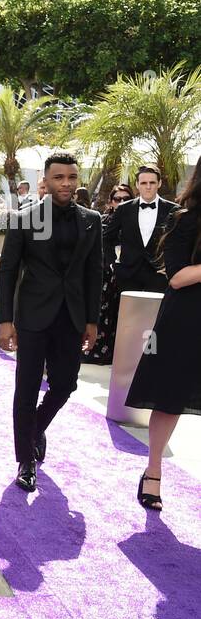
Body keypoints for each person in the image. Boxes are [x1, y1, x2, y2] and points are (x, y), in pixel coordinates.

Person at [0, 151, 102, 492]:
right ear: (46, 180)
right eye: (59, 178)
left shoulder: (91, 219)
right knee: (25, 388)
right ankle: (26, 461)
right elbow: (9, 270)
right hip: (32, 315)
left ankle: (35, 427)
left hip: (71, 316)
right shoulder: (25, 218)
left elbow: (93, 272)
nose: (66, 184)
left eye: (71, 177)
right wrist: (5, 320)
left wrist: (92, 320)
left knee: (66, 384)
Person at [124, 170, 201, 510]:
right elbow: (177, 276)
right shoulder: (186, 220)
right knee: (171, 400)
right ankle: (153, 469)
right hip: (185, 321)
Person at [104, 165, 178, 294]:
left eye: (152, 182)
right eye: (144, 183)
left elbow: (179, 241)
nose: (148, 187)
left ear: (159, 183)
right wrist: (113, 265)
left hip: (159, 276)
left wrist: (171, 267)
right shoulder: (123, 209)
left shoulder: (173, 210)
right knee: (128, 314)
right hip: (127, 275)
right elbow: (107, 238)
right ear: (137, 185)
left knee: (155, 314)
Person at [83, 183, 132, 365]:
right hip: (105, 272)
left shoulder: (136, 220)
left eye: (126, 199)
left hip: (127, 274)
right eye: (117, 199)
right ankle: (94, 350)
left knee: (119, 314)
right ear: (111, 202)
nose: (121, 202)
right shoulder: (102, 220)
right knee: (102, 312)